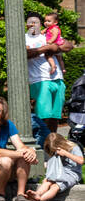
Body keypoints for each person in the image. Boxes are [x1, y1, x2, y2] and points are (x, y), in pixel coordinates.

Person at [26, 13, 66, 141]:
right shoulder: (24, 38)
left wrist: (53, 46)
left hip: (57, 79)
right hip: (40, 80)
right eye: (30, 22)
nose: (33, 24)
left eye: (36, 22)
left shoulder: (47, 35)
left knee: (55, 117)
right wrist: (48, 47)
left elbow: (67, 46)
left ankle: (52, 146)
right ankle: (40, 146)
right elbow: (27, 53)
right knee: (42, 117)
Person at [28, 132, 83, 201]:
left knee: (55, 186)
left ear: (62, 144)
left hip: (72, 174)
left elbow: (81, 161)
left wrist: (66, 154)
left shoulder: (73, 147)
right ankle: (37, 194)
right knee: (47, 181)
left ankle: (40, 199)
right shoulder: (55, 150)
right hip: (59, 172)